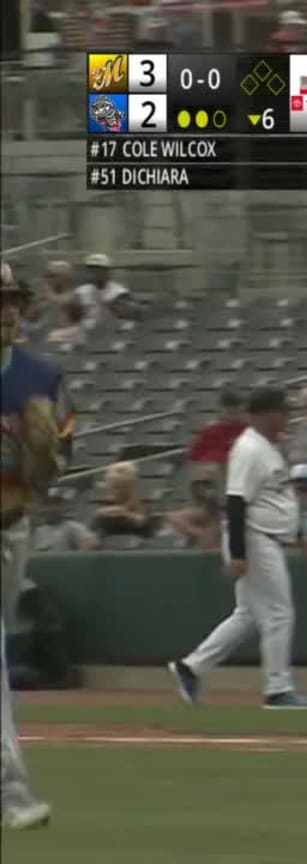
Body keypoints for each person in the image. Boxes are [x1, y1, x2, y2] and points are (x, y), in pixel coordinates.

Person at [168, 388, 307, 711]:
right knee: (279, 612)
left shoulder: (270, 446)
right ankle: (278, 689)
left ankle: (191, 667)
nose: (287, 416)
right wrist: (237, 553)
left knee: (248, 615)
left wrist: (301, 532)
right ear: (263, 414)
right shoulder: (249, 448)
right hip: (254, 536)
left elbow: (282, 496)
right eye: (282, 411)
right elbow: (235, 501)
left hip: (266, 536)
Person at [1, 262, 71, 830]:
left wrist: (48, 460)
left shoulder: (40, 374)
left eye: (12, 300)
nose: (6, 309)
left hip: (10, 527)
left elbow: (60, 456)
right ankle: (12, 793)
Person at [187, 389, 248, 468]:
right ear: (221, 411)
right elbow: (193, 454)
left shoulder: (246, 429)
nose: (233, 416)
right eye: (230, 412)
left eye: (237, 412)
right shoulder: (210, 430)